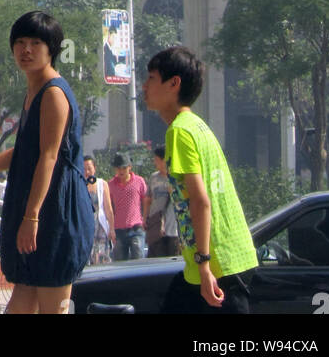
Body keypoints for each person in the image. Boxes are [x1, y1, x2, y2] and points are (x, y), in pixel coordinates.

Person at [0, 11, 94, 314]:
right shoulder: (33, 91)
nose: (26, 50)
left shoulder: (53, 92)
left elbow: (50, 156)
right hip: (38, 210)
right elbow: (24, 153)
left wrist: (31, 218)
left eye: (35, 43)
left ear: (51, 48)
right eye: (19, 42)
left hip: (55, 212)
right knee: (21, 301)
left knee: (52, 308)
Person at [142, 46, 257, 313]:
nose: (145, 86)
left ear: (174, 83)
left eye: (151, 78)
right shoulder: (196, 125)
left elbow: (200, 201)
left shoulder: (180, 132)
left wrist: (204, 263)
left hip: (217, 262)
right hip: (218, 259)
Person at [108, 152, 149, 259]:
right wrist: (111, 227)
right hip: (119, 230)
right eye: (118, 168)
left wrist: (144, 218)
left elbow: (146, 200)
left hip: (136, 227)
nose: (121, 171)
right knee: (120, 263)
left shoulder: (139, 181)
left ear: (129, 167)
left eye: (124, 168)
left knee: (138, 260)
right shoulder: (111, 185)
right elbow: (109, 206)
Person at [145, 146, 180, 257]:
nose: (154, 162)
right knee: (156, 260)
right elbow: (148, 199)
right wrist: (145, 218)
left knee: (172, 258)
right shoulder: (153, 177)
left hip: (173, 227)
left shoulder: (177, 177)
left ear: (163, 160)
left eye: (156, 159)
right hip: (156, 227)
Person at [84, 155, 115, 264]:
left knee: (102, 257)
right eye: (84, 169)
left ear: (94, 168)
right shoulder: (79, 184)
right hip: (86, 226)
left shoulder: (102, 184)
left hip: (100, 225)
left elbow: (108, 208)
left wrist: (112, 228)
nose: (87, 172)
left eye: (89, 168)